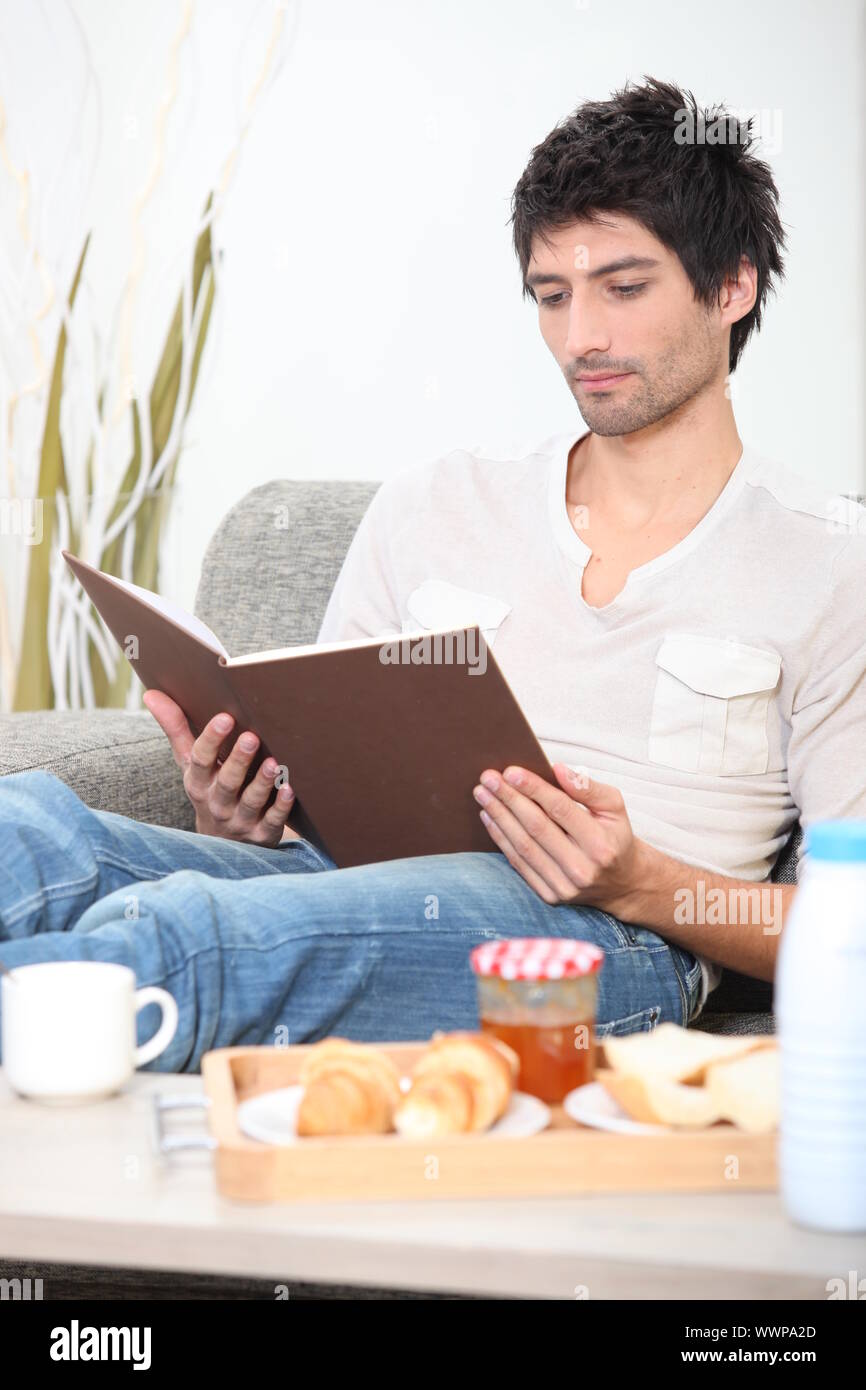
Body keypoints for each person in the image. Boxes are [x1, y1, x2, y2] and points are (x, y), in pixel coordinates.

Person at [2, 77, 863, 1074]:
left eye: (623, 288)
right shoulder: (436, 500)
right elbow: (310, 788)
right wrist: (233, 811)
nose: (580, 335)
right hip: (349, 874)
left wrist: (639, 883)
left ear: (730, 288)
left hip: (598, 936)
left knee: (176, 936)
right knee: (30, 830)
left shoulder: (828, 561)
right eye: (551, 295)